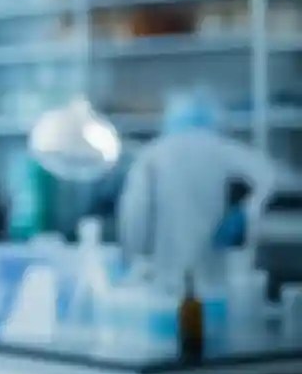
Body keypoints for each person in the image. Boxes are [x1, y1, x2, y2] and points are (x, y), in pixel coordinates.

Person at [118, 89, 290, 285]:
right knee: (208, 295)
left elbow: (134, 215)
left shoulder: (153, 154)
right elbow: (269, 175)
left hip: (165, 273)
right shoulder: (221, 148)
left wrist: (134, 256)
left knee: (175, 295)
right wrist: (247, 211)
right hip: (213, 269)